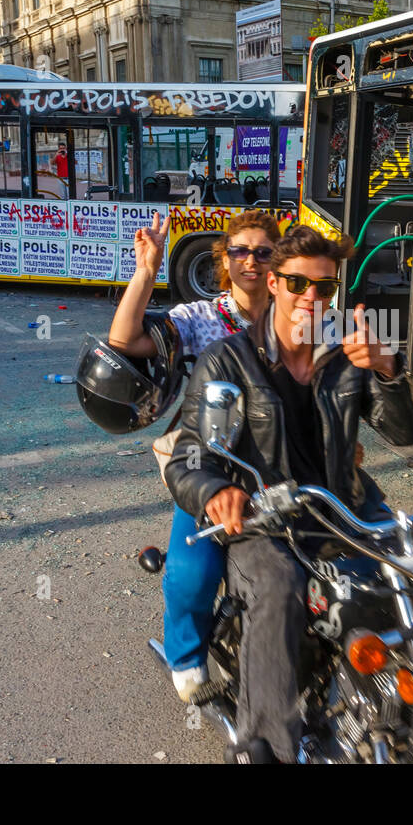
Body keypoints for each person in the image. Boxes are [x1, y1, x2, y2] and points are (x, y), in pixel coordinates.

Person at [165, 225, 413, 763]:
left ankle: (411, 715)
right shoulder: (228, 360)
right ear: (275, 284)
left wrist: (388, 369)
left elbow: (407, 434)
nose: (311, 298)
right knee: (280, 586)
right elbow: (190, 453)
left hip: (338, 515)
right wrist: (216, 490)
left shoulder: (349, 357)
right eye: (298, 284)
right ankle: (266, 744)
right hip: (266, 523)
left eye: (325, 288)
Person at [108, 208, 282, 702]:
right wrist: (146, 271)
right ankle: (186, 656)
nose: (252, 260)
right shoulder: (200, 316)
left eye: (264, 251)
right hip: (209, 468)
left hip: (283, 465)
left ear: (278, 262)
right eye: (241, 250)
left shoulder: (295, 317)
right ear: (224, 259)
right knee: (194, 571)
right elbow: (125, 340)